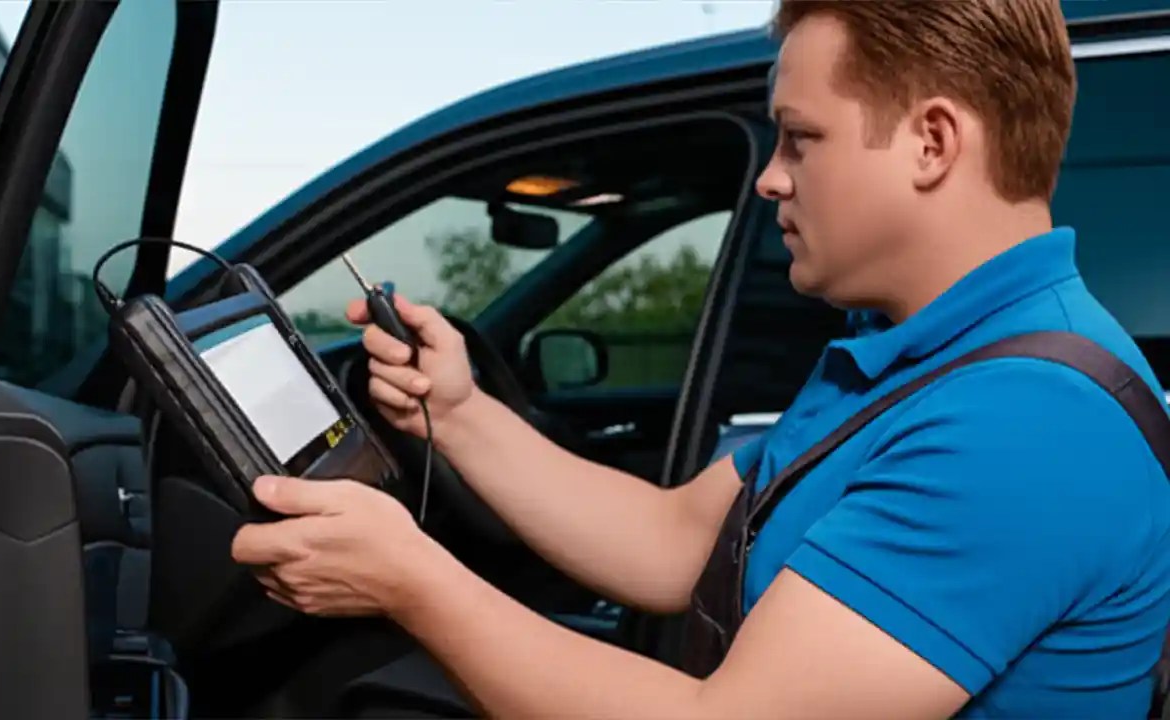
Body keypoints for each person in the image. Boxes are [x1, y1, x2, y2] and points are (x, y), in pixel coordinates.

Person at [230, 1, 1170, 717]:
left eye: (802, 138)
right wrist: (464, 411)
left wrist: (409, 578)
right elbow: (678, 541)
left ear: (932, 142)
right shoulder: (908, 360)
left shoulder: (1026, 425)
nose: (771, 177)